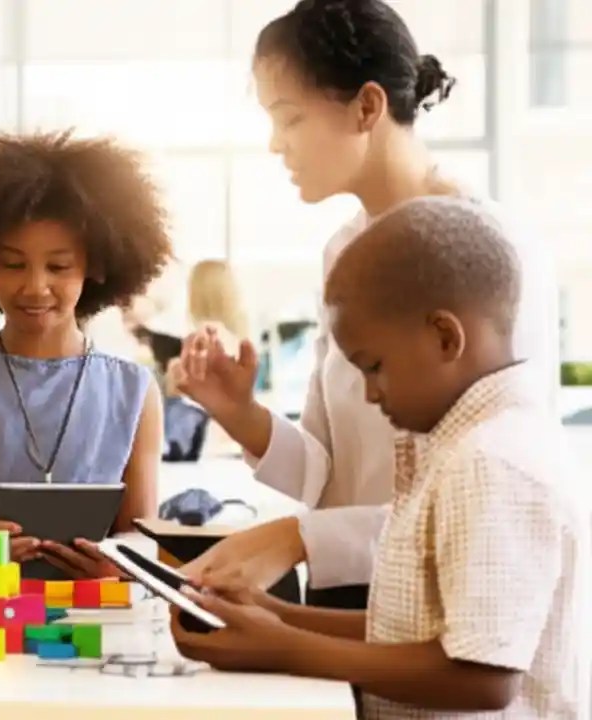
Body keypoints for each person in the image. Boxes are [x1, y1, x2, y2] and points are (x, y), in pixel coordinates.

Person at [170, 0, 560, 608]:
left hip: (450, 612)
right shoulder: (344, 252)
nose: (274, 144)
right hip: (346, 600)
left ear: (368, 106)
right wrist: (239, 412)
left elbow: (493, 500)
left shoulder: (490, 256)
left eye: (289, 118)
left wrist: (300, 538)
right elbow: (326, 477)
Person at [172, 196, 588, 719]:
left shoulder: (491, 459)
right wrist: (278, 616)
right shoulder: (464, 443)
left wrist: (285, 648)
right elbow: (416, 631)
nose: (370, 394)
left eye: (374, 367)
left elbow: (484, 678)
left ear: (445, 337)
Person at [0, 129, 172, 579]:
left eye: (58, 266)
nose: (35, 287)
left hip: (98, 608)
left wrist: (117, 560)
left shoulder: (133, 389)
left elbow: (141, 531)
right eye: (13, 264)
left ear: (95, 265)